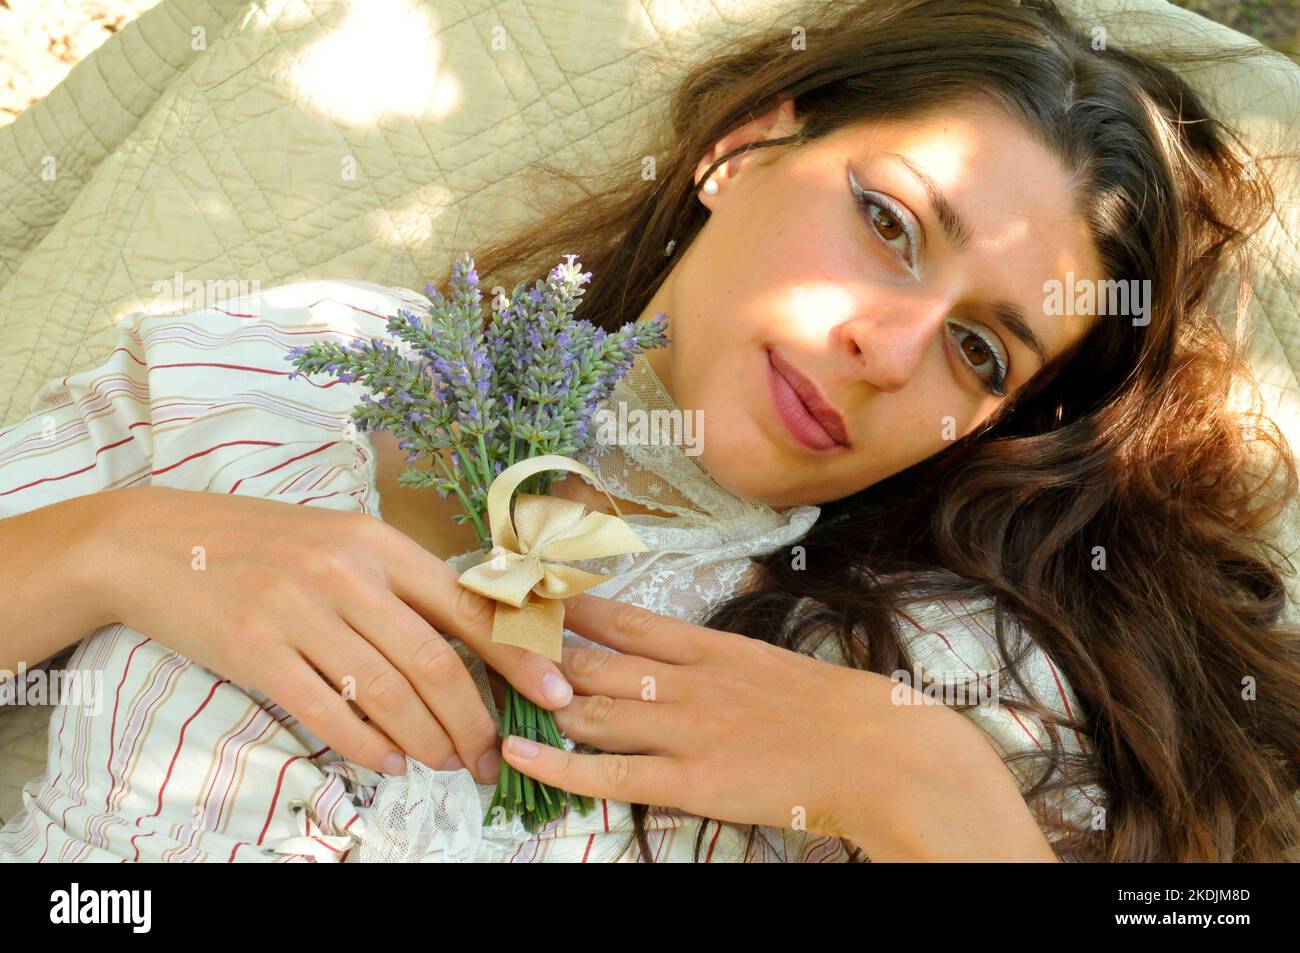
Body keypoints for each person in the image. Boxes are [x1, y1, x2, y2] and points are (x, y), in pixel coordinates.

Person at [0, 0, 1296, 861]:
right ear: (741, 151)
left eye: (976, 347)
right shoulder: (276, 374)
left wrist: (932, 792)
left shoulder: (942, 676)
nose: (887, 349)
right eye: (889, 224)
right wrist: (116, 545)